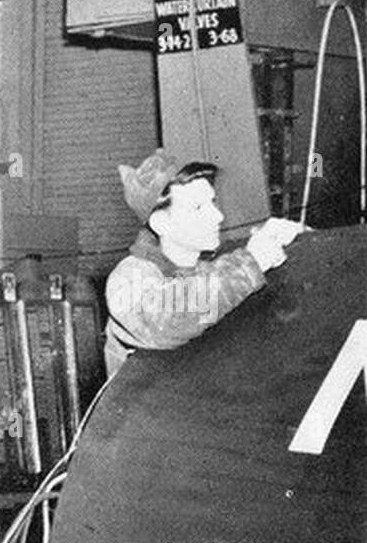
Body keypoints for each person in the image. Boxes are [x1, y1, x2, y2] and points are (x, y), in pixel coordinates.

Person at [104, 149, 305, 377]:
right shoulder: (129, 277)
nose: (218, 216)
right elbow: (168, 320)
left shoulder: (205, 268)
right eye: (198, 207)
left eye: (213, 202)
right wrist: (251, 263)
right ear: (161, 223)